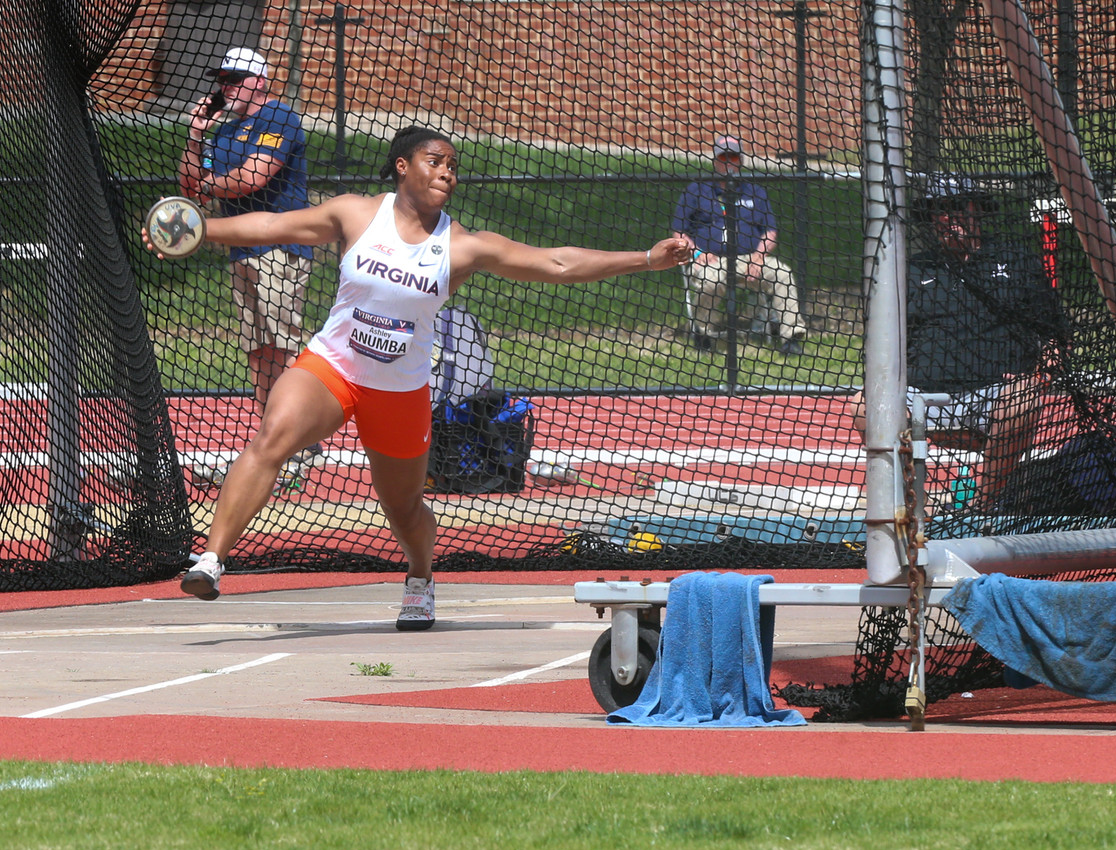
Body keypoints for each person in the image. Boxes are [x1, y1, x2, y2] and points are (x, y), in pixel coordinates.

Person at [145, 126, 698, 629]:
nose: (447, 173)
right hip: (333, 365)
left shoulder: (461, 245)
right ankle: (212, 560)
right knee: (272, 437)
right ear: (403, 166)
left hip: (399, 389)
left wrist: (646, 258)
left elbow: (557, 263)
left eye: (453, 166)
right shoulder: (356, 214)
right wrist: (198, 230)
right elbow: (270, 225)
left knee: (403, 508)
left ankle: (419, 576)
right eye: (436, 161)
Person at [848, 191, 1066, 505]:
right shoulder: (914, 269)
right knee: (863, 405)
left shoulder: (1016, 260)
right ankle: (913, 503)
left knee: (1023, 399)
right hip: (921, 395)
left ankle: (984, 506)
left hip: (995, 394)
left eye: (957, 207)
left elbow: (1054, 335)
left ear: (977, 210)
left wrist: (1040, 376)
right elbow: (885, 341)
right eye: (939, 209)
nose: (948, 217)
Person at [178, 47, 320, 472]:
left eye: (234, 79)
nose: (225, 88)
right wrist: (196, 135)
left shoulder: (278, 116)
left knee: (284, 343)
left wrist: (209, 186)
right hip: (241, 249)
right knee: (258, 350)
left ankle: (302, 438)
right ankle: (273, 439)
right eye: (222, 80)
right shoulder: (222, 131)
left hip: (280, 246)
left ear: (259, 81)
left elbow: (253, 177)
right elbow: (189, 186)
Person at [672, 135, 808, 355]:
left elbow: (770, 232)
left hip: (749, 259)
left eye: (733, 157)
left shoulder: (755, 192)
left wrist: (759, 256)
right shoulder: (696, 190)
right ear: (715, 160)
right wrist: (696, 253)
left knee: (783, 274)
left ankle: (790, 338)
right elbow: (679, 231)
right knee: (709, 281)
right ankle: (703, 335)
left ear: (741, 160)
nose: (728, 162)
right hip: (711, 260)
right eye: (723, 157)